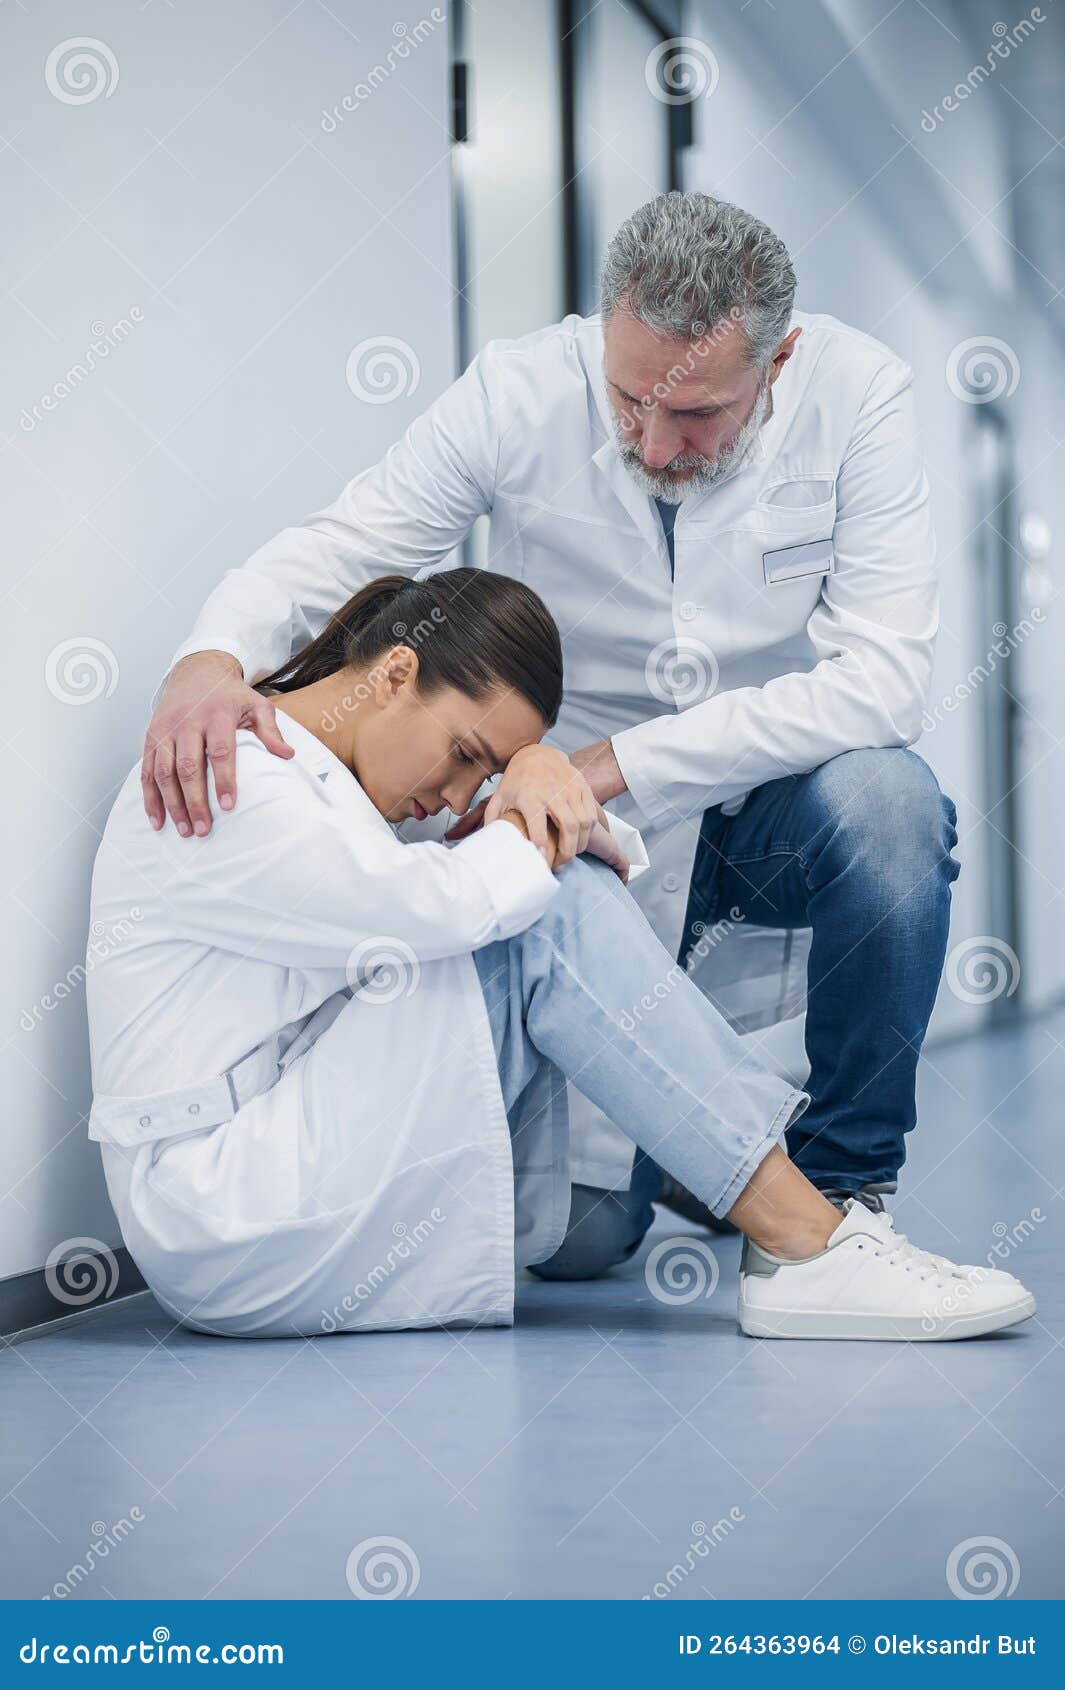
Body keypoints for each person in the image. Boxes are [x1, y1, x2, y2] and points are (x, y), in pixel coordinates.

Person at [138, 192, 959, 1261]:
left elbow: (884, 681)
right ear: (604, 327)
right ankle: (697, 1158)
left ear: (781, 358)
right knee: (577, 1243)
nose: (656, 445)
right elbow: (346, 544)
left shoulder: (858, 394)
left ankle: (845, 1204)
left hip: (758, 801)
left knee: (892, 803)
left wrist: (610, 765)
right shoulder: (517, 392)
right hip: (564, 815)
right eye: (629, 402)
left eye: (699, 415)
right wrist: (206, 661)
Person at [88, 570, 1032, 1341]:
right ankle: (806, 1242)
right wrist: (539, 799)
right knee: (545, 907)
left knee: (546, 893)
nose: (455, 792)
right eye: (464, 754)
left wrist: (536, 773)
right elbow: (446, 903)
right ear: (392, 673)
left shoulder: (331, 785)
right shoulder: (238, 772)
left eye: (482, 771)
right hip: (227, 1207)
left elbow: (475, 876)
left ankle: (804, 1229)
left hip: (291, 1143)